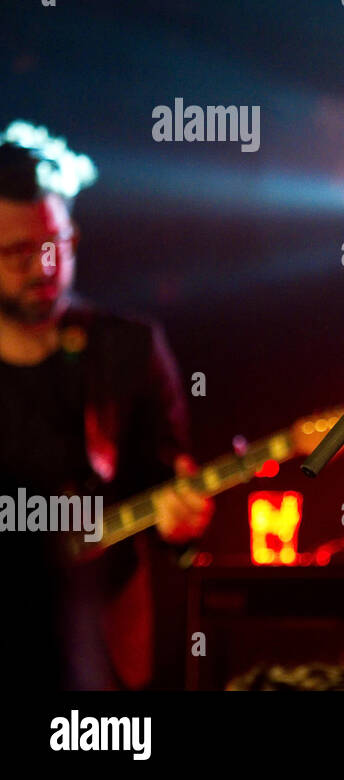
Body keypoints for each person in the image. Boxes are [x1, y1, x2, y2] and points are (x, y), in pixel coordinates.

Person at [0, 122, 214, 689]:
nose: (43, 266)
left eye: (55, 243)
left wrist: (184, 521)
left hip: (96, 651)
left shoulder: (126, 348)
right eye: (18, 251)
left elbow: (168, 482)